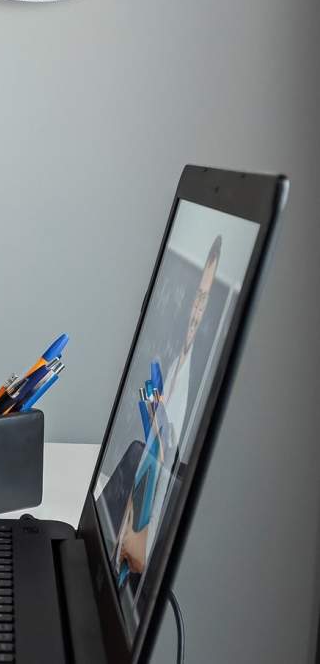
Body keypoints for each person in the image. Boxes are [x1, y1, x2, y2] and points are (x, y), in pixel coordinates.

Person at [108, 235, 222, 592]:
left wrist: (143, 532)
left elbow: (169, 464)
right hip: (129, 516)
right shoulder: (171, 361)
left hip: (145, 531)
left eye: (205, 300)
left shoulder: (200, 377)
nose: (196, 310)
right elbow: (150, 445)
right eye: (195, 298)